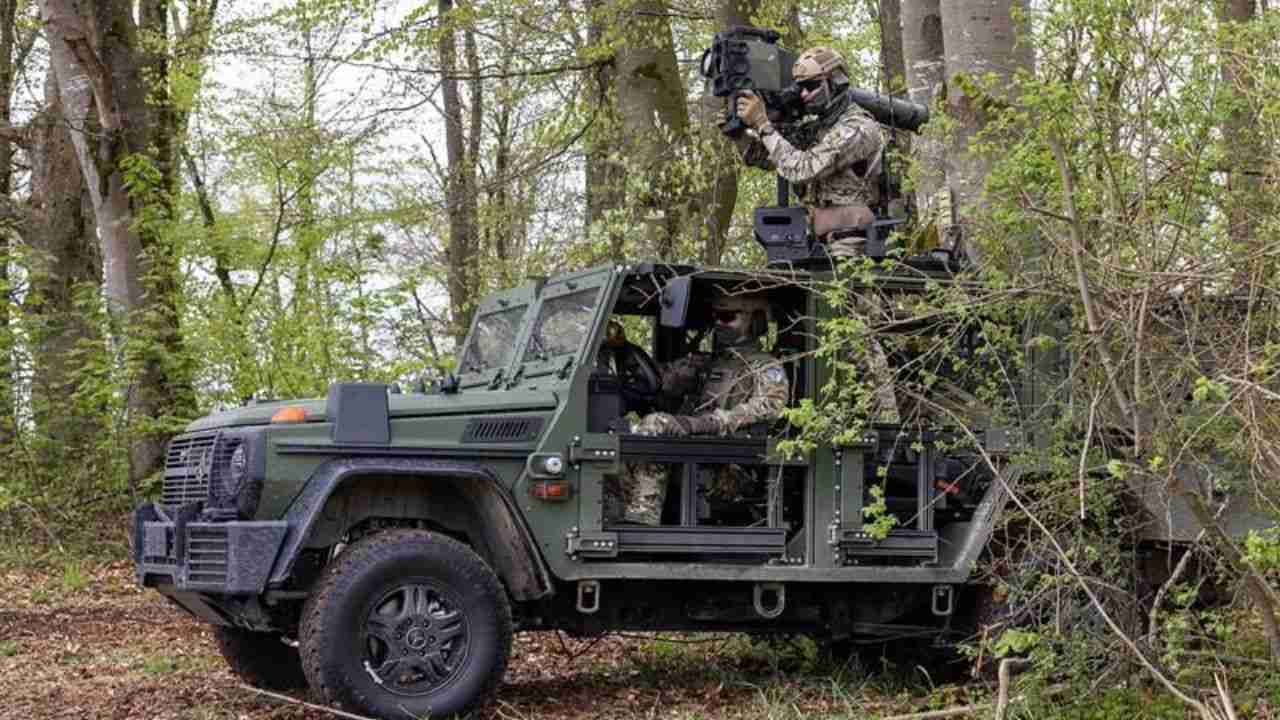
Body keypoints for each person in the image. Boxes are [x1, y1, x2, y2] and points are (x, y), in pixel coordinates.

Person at [605, 292, 790, 526]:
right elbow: (657, 379)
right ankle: (613, 518)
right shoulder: (707, 363)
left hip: (733, 468)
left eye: (727, 316)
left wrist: (705, 423)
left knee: (657, 423)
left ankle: (642, 518)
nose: (718, 323)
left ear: (755, 321)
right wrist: (623, 348)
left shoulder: (765, 366)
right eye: (716, 316)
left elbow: (769, 406)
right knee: (616, 438)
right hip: (695, 452)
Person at [731, 46, 885, 259]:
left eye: (810, 86)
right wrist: (738, 134)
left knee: (842, 290)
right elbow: (773, 158)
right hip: (814, 241)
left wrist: (762, 124)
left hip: (851, 244)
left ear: (836, 81)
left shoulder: (858, 129)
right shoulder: (819, 129)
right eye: (800, 87)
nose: (803, 94)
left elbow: (801, 169)